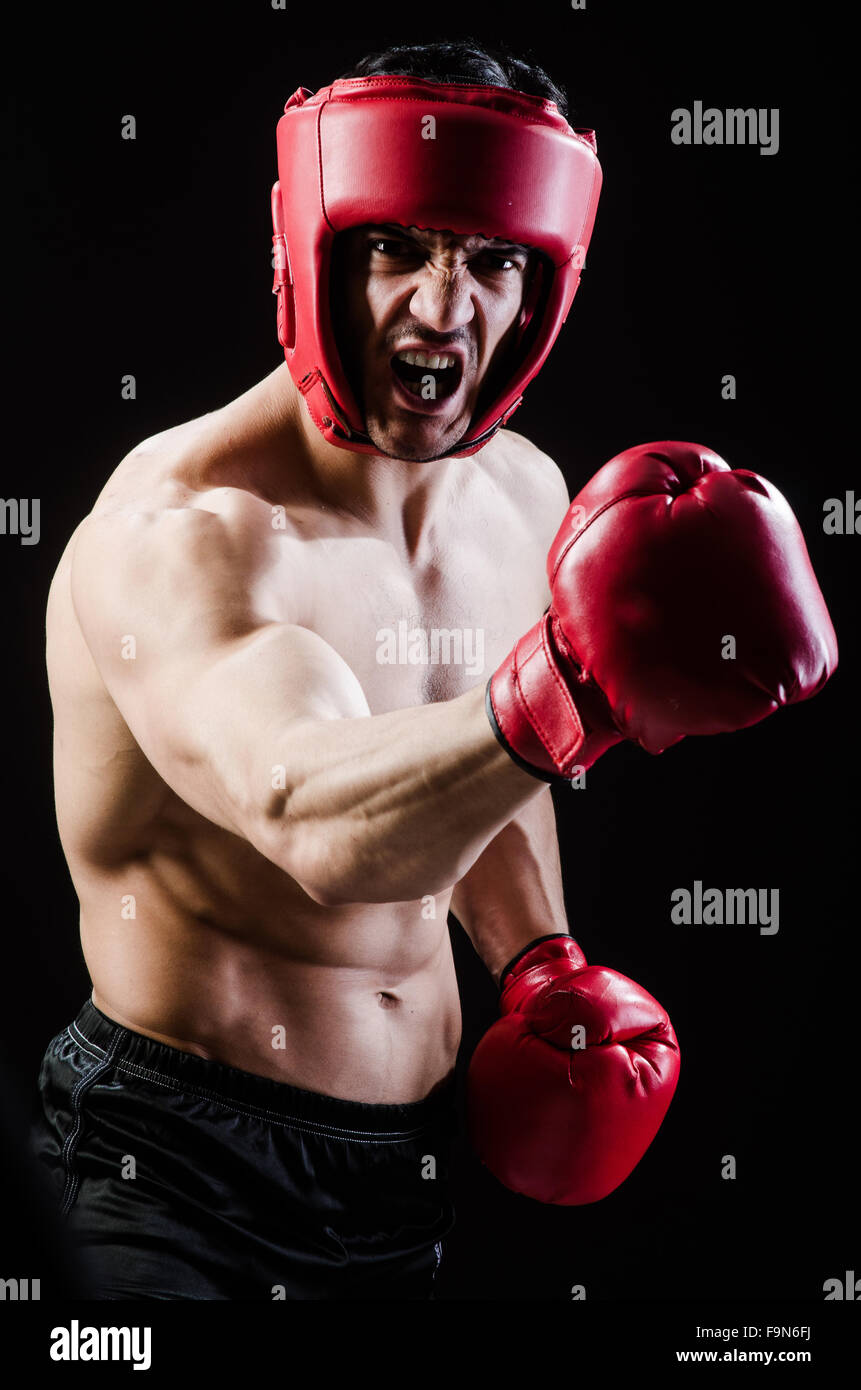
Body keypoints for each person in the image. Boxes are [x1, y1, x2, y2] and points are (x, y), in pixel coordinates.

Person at [30, 40, 837, 1300]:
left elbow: (471, 760)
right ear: (314, 248)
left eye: (494, 260)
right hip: (172, 1173)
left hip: (403, 1174)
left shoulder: (522, 498)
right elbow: (316, 817)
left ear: (544, 289)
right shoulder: (182, 536)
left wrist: (540, 965)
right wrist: (574, 690)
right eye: (401, 246)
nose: (445, 311)